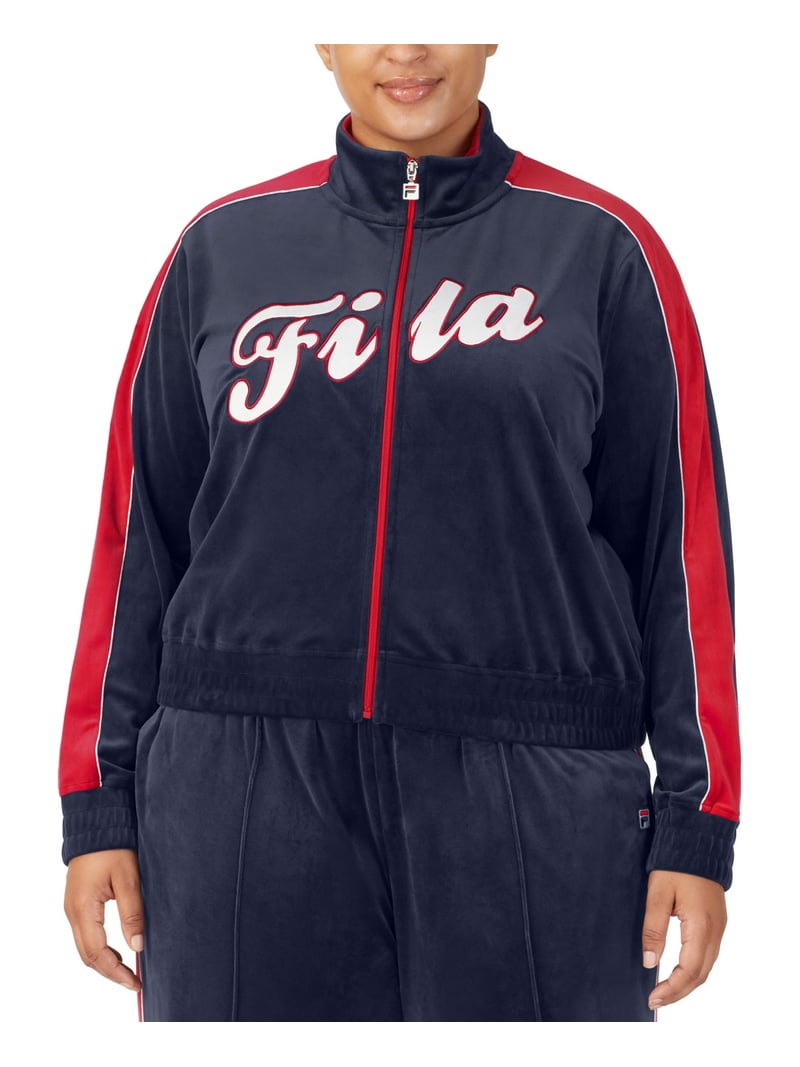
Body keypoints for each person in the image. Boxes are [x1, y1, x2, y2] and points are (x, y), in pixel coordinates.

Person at [59, 44, 740, 1022]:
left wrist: (695, 819)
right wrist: (99, 802)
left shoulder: (599, 248)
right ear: (321, 39)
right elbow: (137, 541)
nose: (407, 47)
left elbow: (680, 551)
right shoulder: (223, 247)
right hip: (240, 789)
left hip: (534, 792)